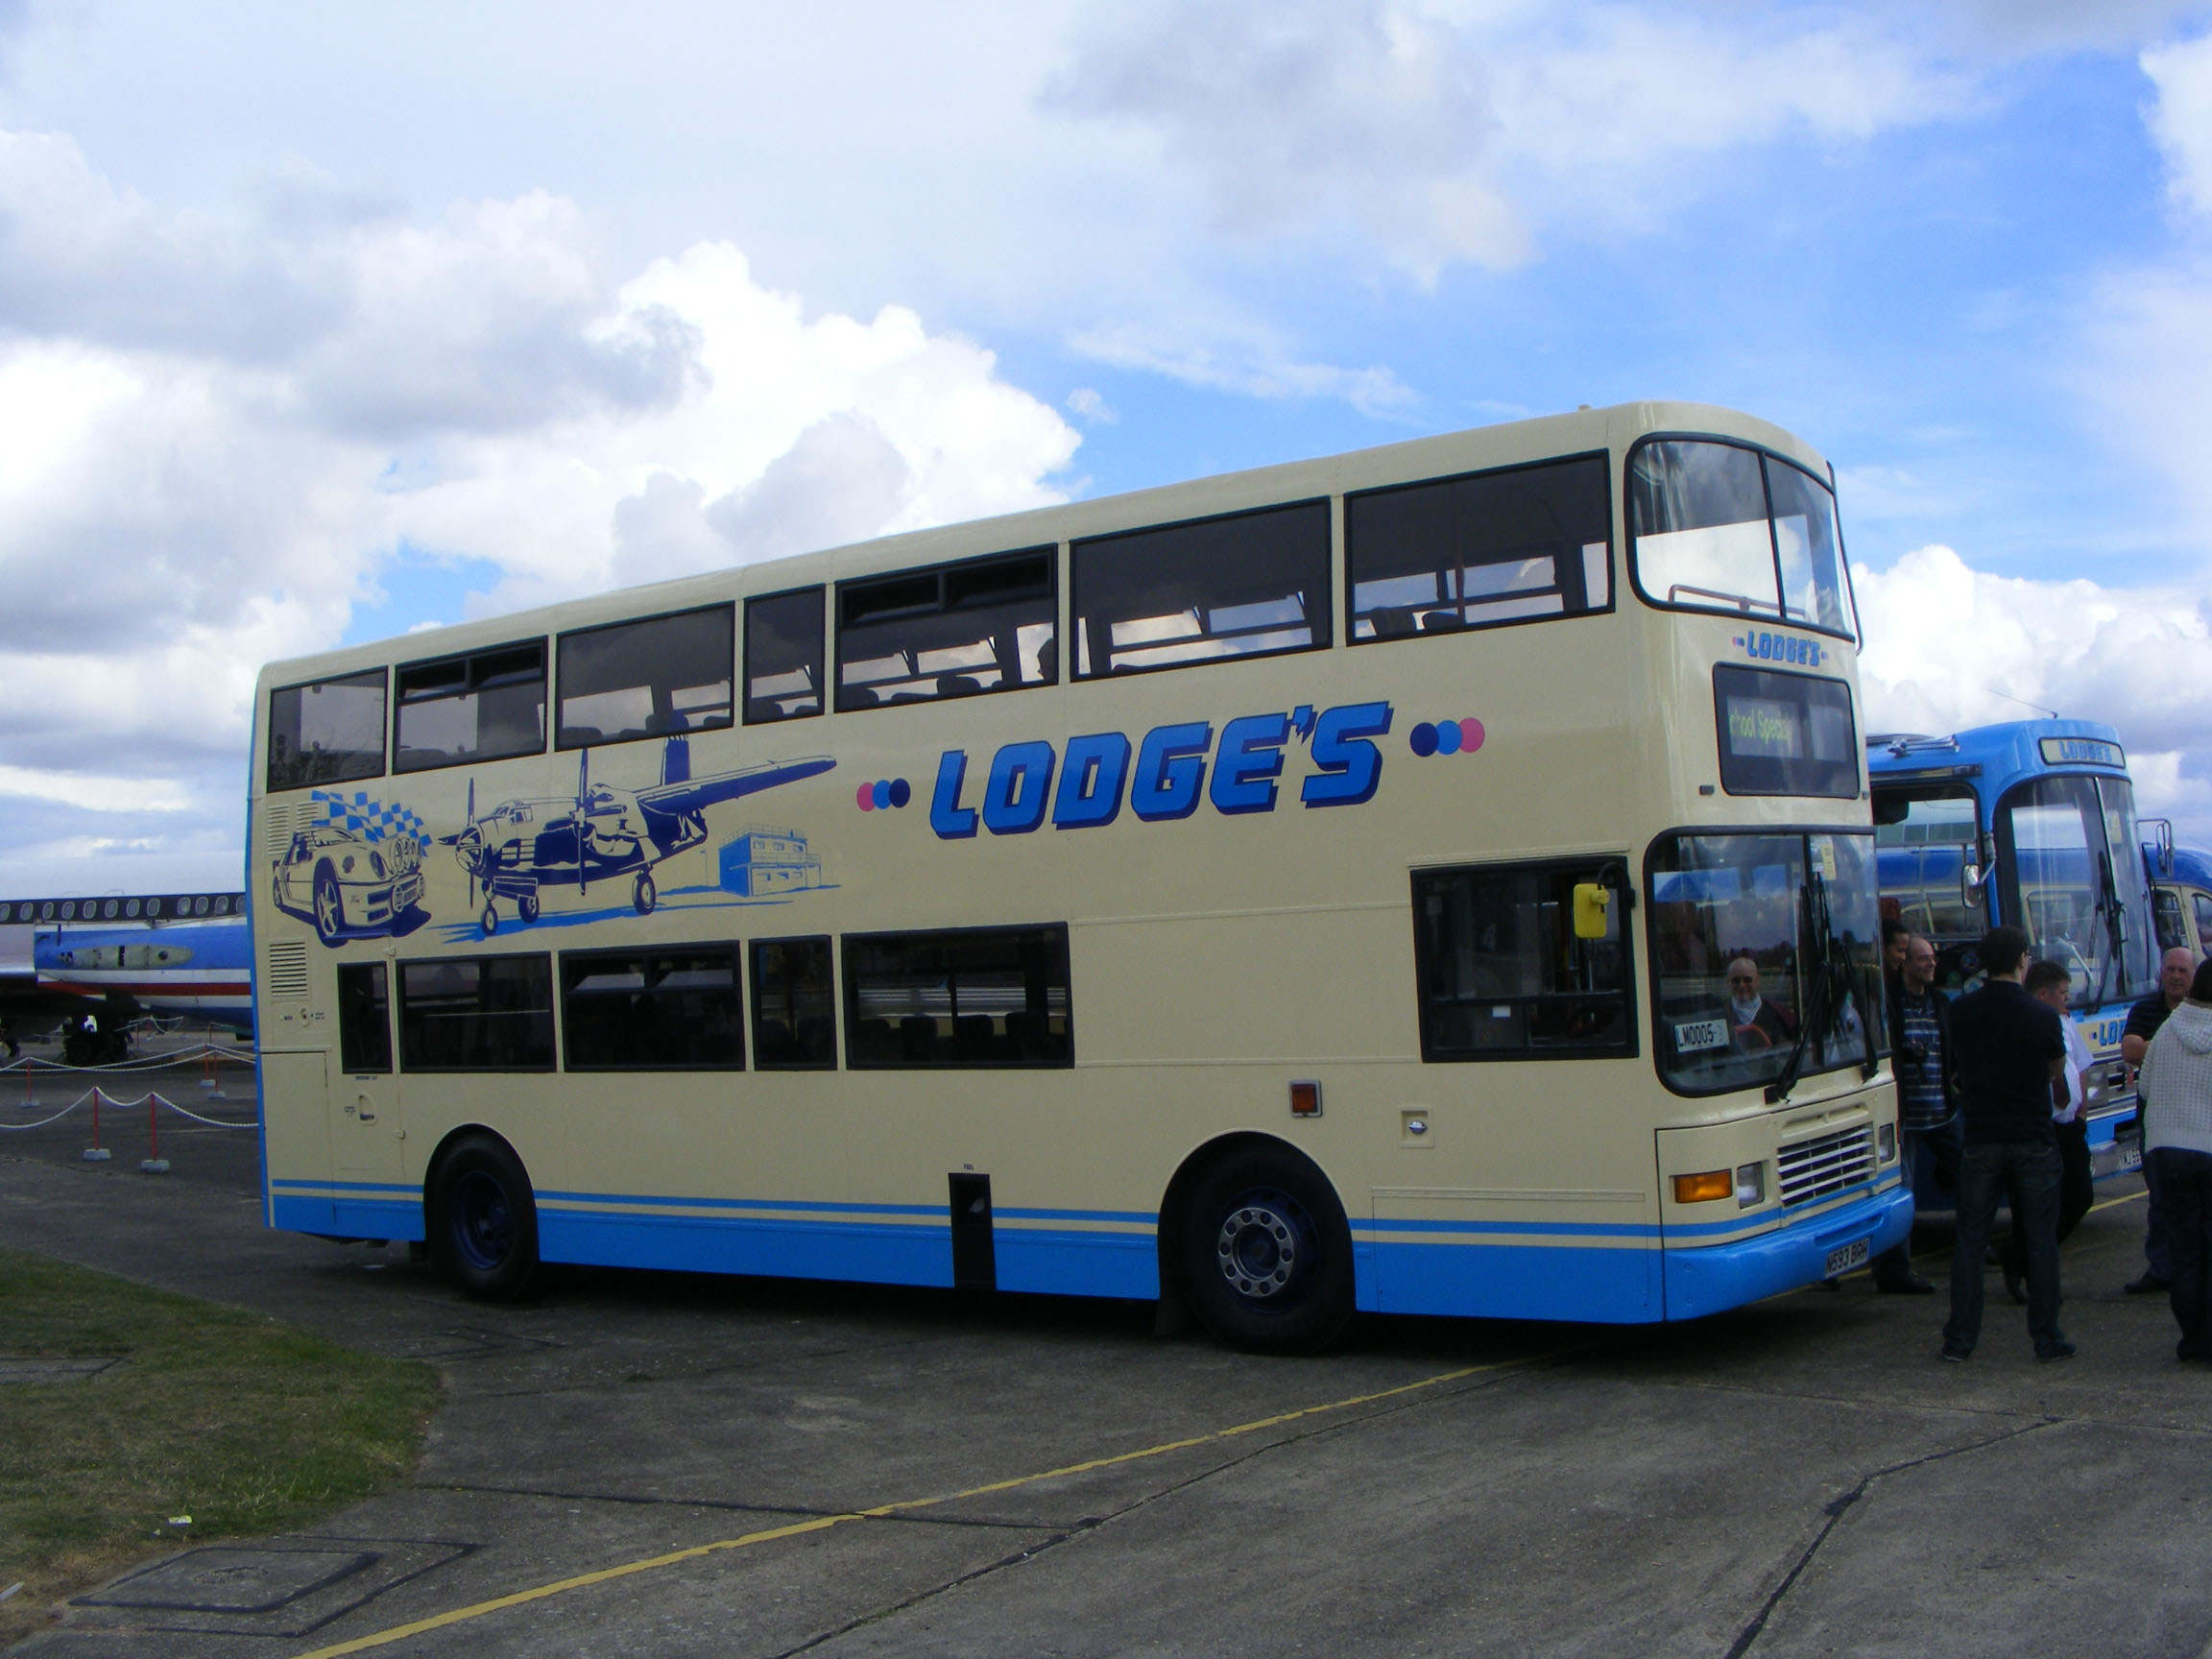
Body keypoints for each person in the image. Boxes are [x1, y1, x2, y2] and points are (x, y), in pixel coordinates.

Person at [1941, 925, 2072, 1363]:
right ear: (2021, 961)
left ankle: (1960, 1340)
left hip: (1981, 1135)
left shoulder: (1961, 1011)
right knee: (2040, 1240)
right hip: (2032, 1135)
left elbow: (1953, 1067)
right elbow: (2055, 1068)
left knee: (1971, 1239)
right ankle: (2047, 1337)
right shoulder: (2042, 1015)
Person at [1998, 960, 2096, 1304]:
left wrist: (2082, 1111)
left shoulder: (2065, 1021)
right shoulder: (2023, 1023)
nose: (2067, 999)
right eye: (2063, 993)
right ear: (2043, 994)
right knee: (2035, 1203)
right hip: (2040, 1127)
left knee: (2080, 1195)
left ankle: (2022, 1255)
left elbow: (2080, 1065)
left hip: (2070, 1124)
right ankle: (2032, 1264)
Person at [1873, 933, 1959, 1294]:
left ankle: (1975, 1245)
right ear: (1905, 963)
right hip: (1905, 1117)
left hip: (1941, 1112)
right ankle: (1895, 1271)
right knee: (1901, 1192)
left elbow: (1953, 1050)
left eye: (1933, 959)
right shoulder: (1889, 1003)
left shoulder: (1940, 1003)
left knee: (1971, 1177)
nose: (1931, 964)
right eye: (1923, 958)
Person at [2139, 956, 2212, 1362]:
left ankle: (2194, 1340)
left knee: (2184, 1250)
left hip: (2168, 1150)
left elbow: (2145, 1087)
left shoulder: (2168, 1029)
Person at [2123, 946, 2201, 1294]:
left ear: (2195, 975)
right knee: (2159, 1199)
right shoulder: (2144, 1009)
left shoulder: (2201, 1012)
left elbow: (2144, 1051)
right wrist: (2175, 1048)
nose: (2176, 976)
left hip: (2198, 1121)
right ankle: (2161, 1268)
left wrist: (2153, 1047)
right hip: (2156, 1121)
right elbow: (2130, 1051)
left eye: (2183, 971)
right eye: (2170, 969)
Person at [1725, 957, 1793, 1051]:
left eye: (1747, 980)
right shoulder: (1721, 1014)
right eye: (1736, 980)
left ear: (1757, 980)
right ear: (1728, 982)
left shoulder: (1777, 1013)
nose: (1741, 985)